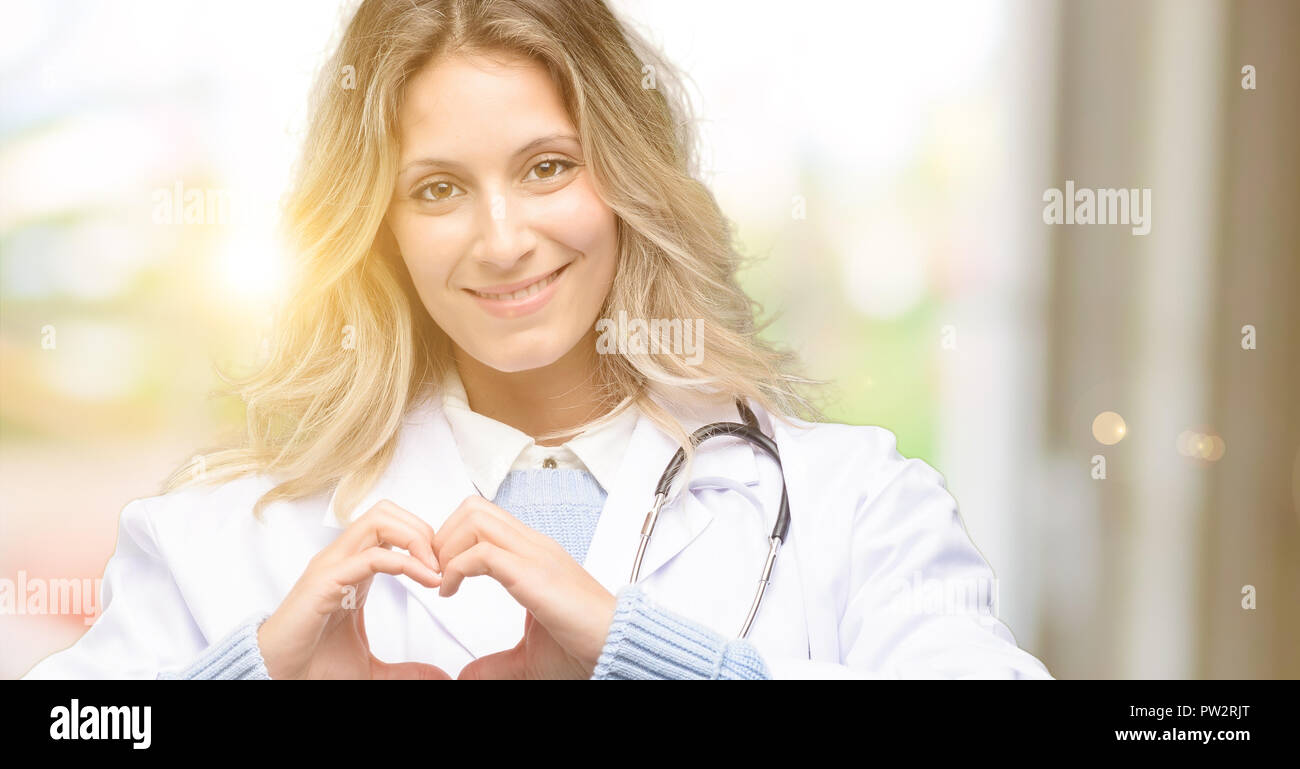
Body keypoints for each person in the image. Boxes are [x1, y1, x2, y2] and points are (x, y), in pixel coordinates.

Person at [22, 0, 1052, 680]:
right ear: (378, 226)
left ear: (627, 174)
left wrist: (649, 655)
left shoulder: (851, 503)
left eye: (548, 167)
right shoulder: (219, 539)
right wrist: (250, 673)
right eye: (438, 189)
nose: (503, 239)